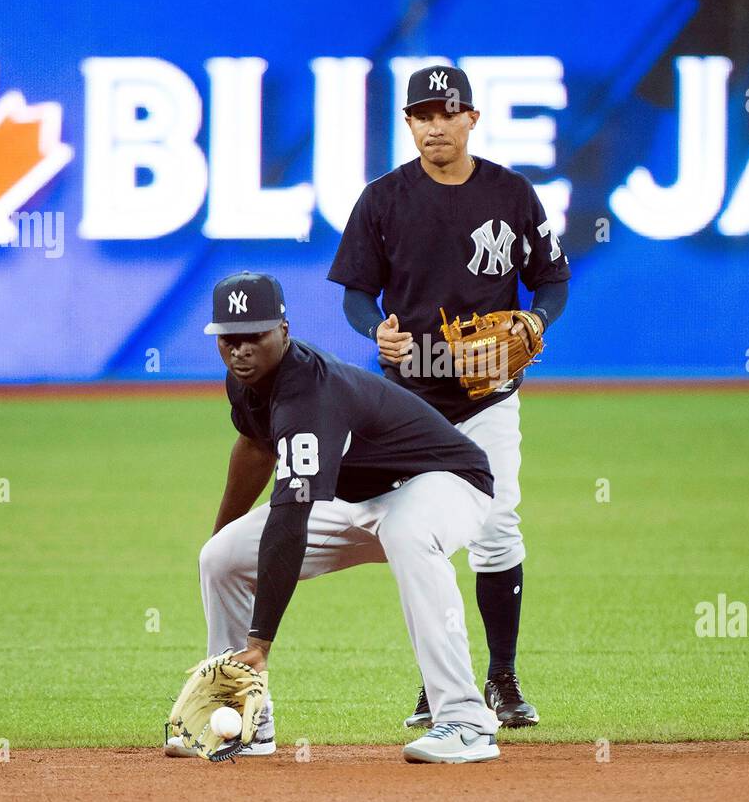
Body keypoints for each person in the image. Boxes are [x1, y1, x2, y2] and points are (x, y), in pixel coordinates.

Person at [171, 270, 503, 763]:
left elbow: (291, 517)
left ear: (283, 330)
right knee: (221, 558)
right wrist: (225, 531)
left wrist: (260, 642)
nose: (240, 351)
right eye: (229, 339)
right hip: (356, 499)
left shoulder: (308, 392)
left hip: (448, 481)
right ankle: (245, 718)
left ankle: (466, 721)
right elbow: (255, 447)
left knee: (408, 530)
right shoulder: (245, 380)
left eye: (254, 336)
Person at [328, 64, 570, 728]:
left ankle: (502, 679)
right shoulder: (382, 199)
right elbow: (355, 292)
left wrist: (538, 321)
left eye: (447, 111)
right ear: (408, 124)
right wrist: (373, 328)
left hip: (490, 394)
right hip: (408, 401)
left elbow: (551, 280)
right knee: (415, 536)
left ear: (472, 118)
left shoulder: (512, 194)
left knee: (497, 530)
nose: (435, 124)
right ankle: (438, 686)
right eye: (422, 114)